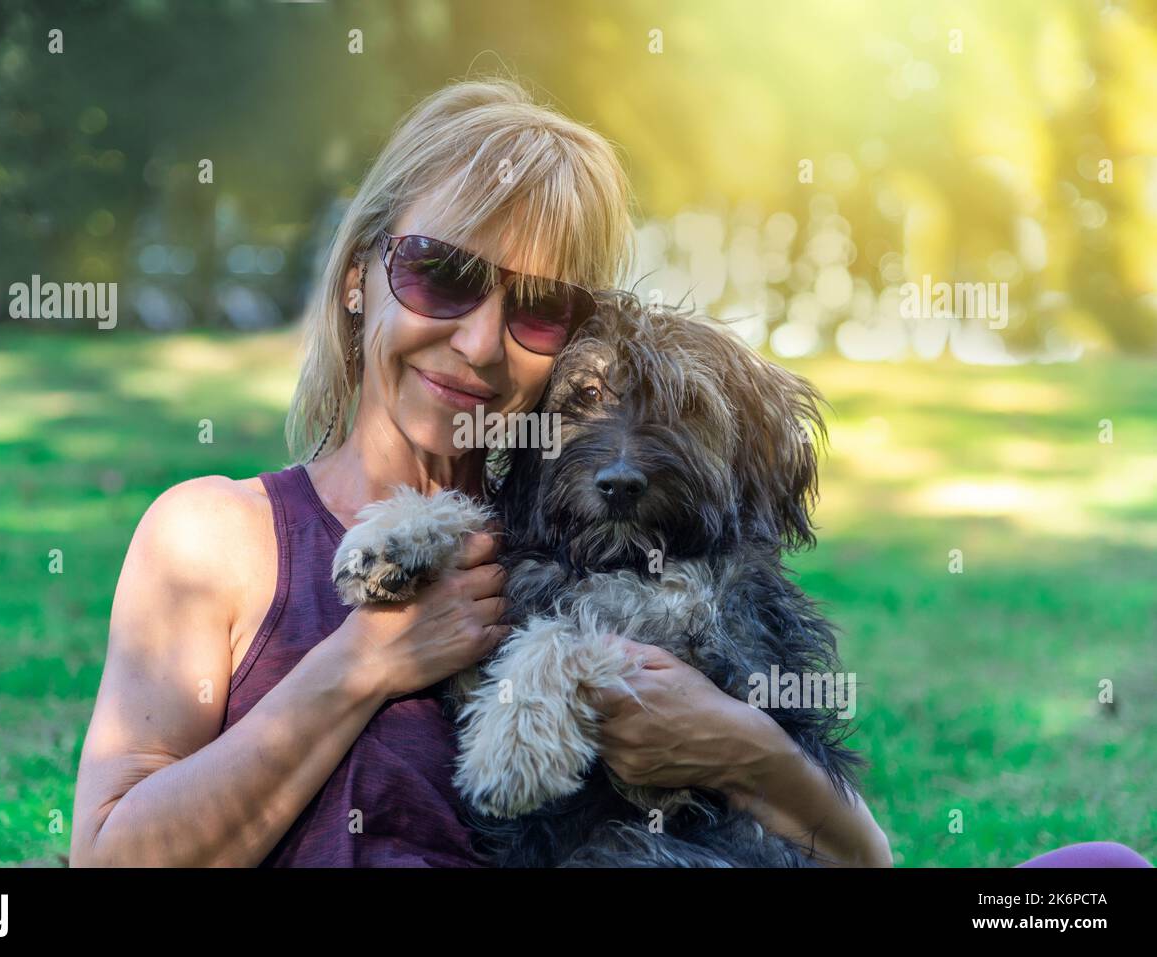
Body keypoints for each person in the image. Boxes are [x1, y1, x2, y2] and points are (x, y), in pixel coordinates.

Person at [73, 76, 917, 868]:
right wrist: (359, 664)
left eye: (540, 308)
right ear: (361, 278)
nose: (479, 342)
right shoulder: (217, 540)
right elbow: (111, 855)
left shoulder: (616, 553)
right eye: (441, 275)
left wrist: (748, 751)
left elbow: (864, 858)